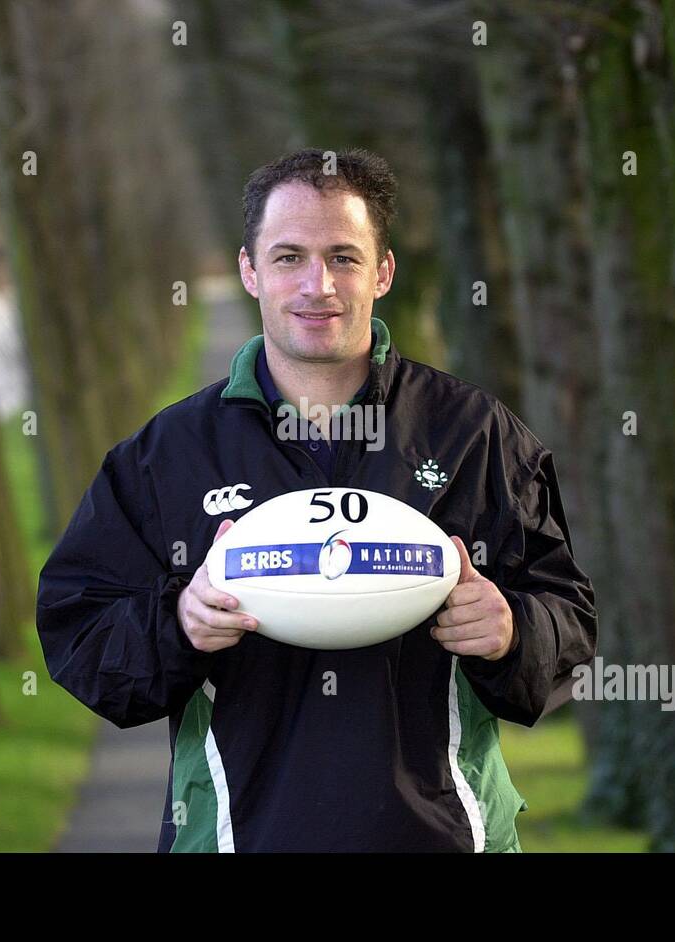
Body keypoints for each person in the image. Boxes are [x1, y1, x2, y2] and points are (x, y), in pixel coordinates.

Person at [36, 147, 597, 852]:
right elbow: (78, 636)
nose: (317, 284)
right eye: (288, 257)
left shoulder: (474, 436)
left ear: (383, 272)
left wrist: (511, 631)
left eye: (344, 257)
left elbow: (570, 633)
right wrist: (179, 623)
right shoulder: (167, 456)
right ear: (249, 271)